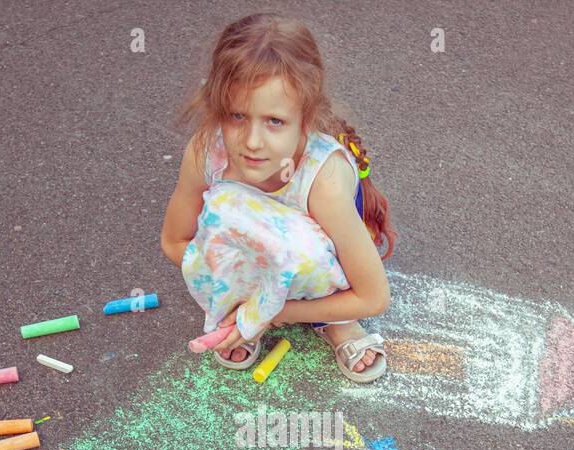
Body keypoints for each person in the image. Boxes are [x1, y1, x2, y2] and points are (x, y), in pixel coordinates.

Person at [159, 13, 397, 382]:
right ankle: (242, 311)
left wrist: (272, 312)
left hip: (318, 256)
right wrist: (233, 290)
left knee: (295, 247)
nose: (252, 142)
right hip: (264, 257)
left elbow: (374, 296)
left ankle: (336, 320)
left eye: (274, 121)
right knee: (224, 211)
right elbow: (175, 241)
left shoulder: (325, 181)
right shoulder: (206, 152)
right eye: (237, 116)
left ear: (306, 118)